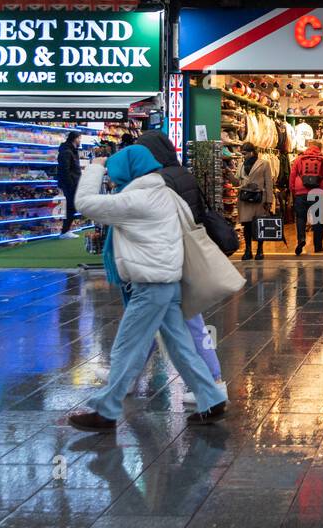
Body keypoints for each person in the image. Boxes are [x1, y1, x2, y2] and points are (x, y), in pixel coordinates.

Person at [66, 145, 229, 431]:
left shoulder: (137, 198)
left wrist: (95, 166)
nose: (113, 182)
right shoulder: (165, 192)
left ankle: (106, 410)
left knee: (126, 346)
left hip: (151, 285)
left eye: (115, 176)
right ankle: (211, 398)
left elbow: (85, 203)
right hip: (169, 281)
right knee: (180, 346)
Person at [136, 130, 226, 407]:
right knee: (149, 321)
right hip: (181, 255)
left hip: (168, 259)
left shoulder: (160, 181)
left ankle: (213, 382)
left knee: (187, 322)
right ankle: (126, 375)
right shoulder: (183, 174)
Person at [290, 138, 323, 255]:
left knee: (301, 218)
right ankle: (318, 246)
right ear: (320, 148)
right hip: (319, 192)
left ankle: (301, 240)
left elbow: (292, 175)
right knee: (318, 220)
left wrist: (294, 191)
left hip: (301, 192)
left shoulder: (299, 159)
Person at [236, 142, 274, 261]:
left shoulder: (264, 164)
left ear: (252, 152)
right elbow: (237, 182)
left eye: (245, 153)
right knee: (246, 225)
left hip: (259, 199)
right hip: (245, 199)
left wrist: (269, 200)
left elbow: (269, 183)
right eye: (242, 153)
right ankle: (248, 250)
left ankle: (260, 250)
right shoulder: (241, 165)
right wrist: (228, 174)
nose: (244, 155)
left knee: (259, 224)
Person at [57, 131, 83, 237]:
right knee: (71, 206)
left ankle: (66, 230)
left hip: (73, 182)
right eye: (79, 138)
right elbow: (65, 169)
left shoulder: (71, 150)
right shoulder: (67, 151)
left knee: (71, 206)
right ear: (74, 138)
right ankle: (65, 231)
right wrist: (70, 183)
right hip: (70, 183)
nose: (80, 140)